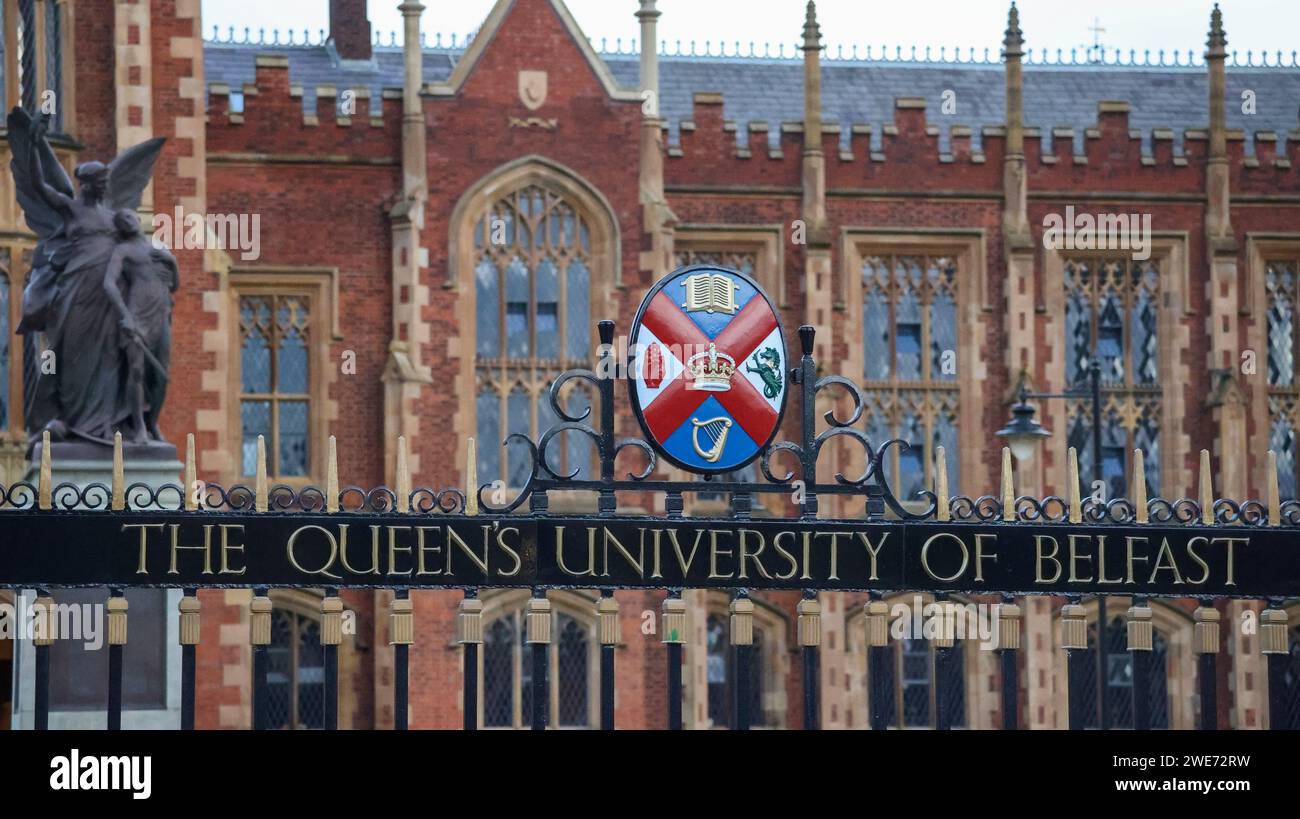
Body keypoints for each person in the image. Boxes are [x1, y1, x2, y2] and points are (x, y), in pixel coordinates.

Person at [103, 210, 179, 443]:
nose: (127, 221)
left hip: (161, 317)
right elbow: (109, 283)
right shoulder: (123, 251)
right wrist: (125, 316)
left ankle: (152, 421)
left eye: (129, 217)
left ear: (137, 219)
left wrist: (172, 262)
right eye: (121, 220)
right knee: (136, 372)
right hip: (136, 318)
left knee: (160, 375)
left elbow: (174, 286)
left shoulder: (160, 250)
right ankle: (139, 428)